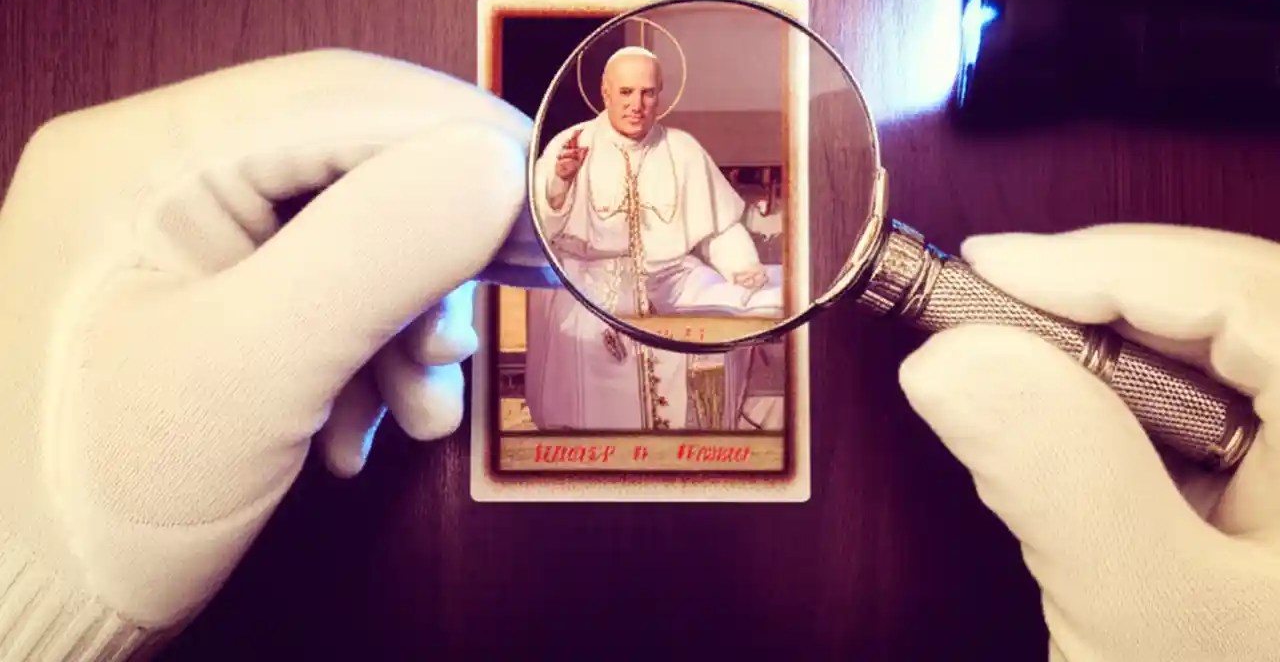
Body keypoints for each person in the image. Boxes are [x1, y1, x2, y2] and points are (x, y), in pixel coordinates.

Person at [0, 49, 1275, 661]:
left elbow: (726, 240)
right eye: (613, 98)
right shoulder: (583, 163)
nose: (629, 111)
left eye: (637, 99)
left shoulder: (676, 162)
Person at [525, 46, 778, 431]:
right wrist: (561, 183)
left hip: (670, 275)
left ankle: (700, 437)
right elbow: (541, 231)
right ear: (605, 93)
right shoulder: (571, 144)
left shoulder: (682, 148)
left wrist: (741, 264)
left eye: (647, 93)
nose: (636, 105)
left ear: (660, 94)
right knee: (594, 341)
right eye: (625, 93)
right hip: (590, 280)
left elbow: (718, 226)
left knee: (743, 306)